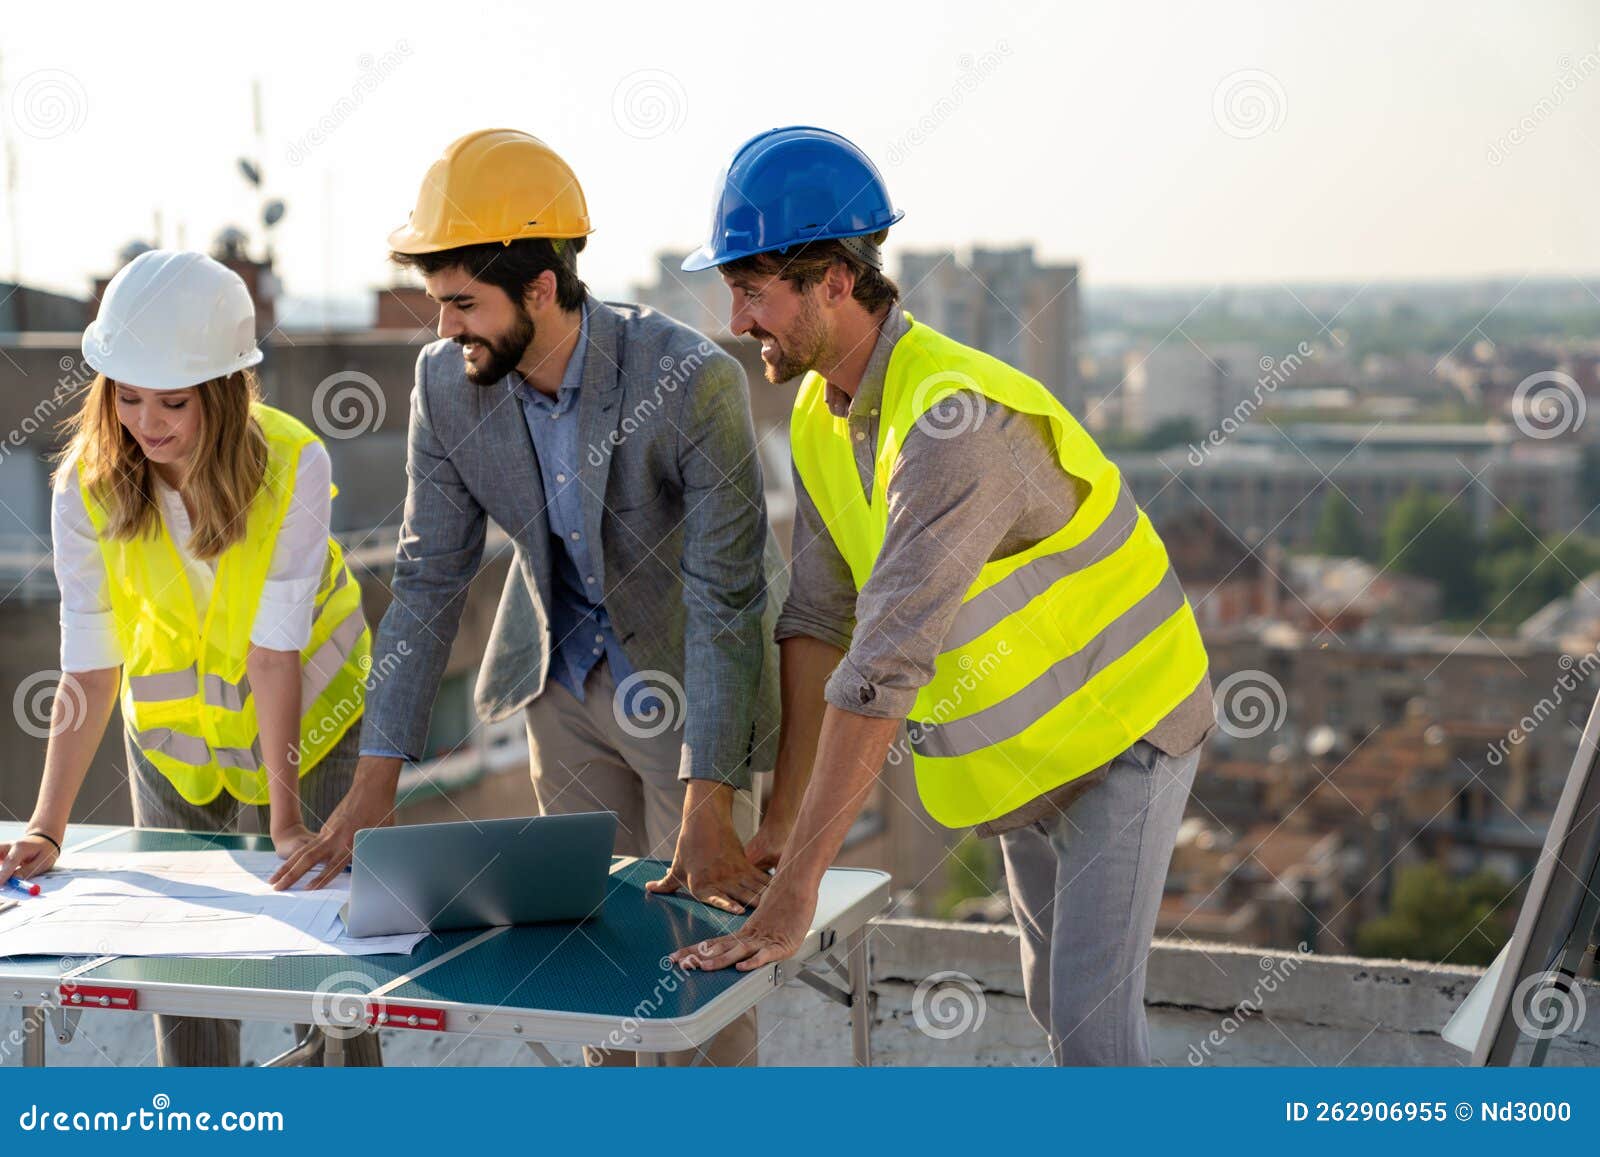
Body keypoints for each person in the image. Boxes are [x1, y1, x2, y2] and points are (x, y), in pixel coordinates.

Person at [670, 127, 1217, 1066]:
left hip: (1127, 727)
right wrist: (782, 826)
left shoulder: (950, 424)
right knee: (1054, 1006)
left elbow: (881, 664)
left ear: (833, 281)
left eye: (753, 289)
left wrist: (798, 892)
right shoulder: (820, 413)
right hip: (1030, 750)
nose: (736, 317)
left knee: (1093, 1032)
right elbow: (818, 619)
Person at [271, 129, 784, 1066]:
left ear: (542, 288)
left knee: (701, 966)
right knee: (586, 956)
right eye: (439, 302)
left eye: (464, 303)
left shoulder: (689, 380)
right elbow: (429, 577)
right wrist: (374, 786)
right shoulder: (446, 384)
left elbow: (727, 599)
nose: (444, 327)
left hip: (688, 686)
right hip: (558, 682)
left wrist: (712, 794)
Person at [2, 249, 377, 1066]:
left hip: (312, 721)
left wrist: (285, 823)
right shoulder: (83, 488)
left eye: (173, 400)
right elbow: (89, 668)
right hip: (172, 742)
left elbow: (275, 654)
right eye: (127, 396)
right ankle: (203, 1115)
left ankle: (348, 1114)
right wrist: (46, 826)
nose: (148, 421)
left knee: (328, 969)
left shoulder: (295, 464)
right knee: (183, 974)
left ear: (226, 390)